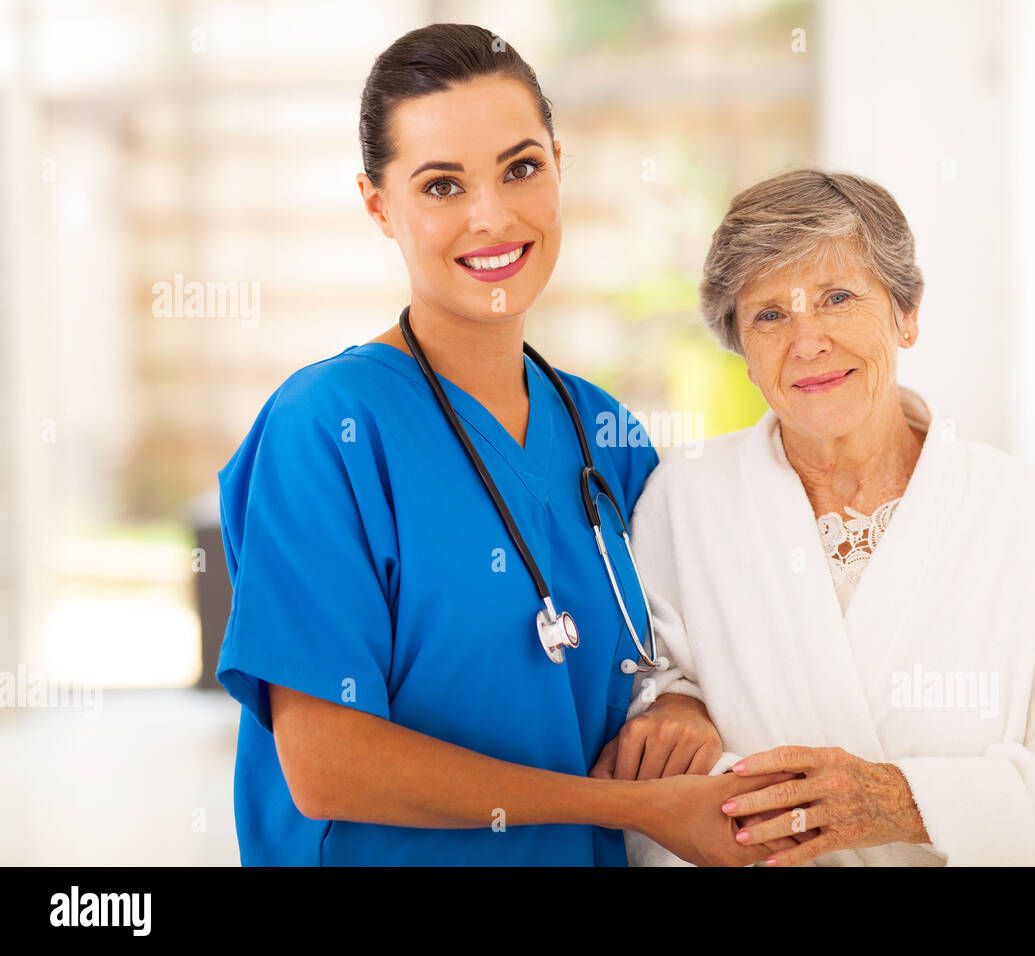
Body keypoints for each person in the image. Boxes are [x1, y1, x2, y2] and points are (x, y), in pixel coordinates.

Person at [214, 22, 787, 866]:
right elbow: (328, 767)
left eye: (521, 168)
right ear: (379, 206)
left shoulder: (606, 435)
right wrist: (635, 805)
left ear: (558, 163)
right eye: (441, 186)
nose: (492, 218)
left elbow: (676, 649)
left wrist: (680, 708)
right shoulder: (327, 431)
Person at [613, 168, 1035, 866]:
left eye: (836, 298)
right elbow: (640, 724)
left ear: (907, 312)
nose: (808, 342)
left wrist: (906, 799)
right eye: (770, 315)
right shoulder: (682, 503)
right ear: (741, 349)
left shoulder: (1025, 512)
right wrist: (673, 707)